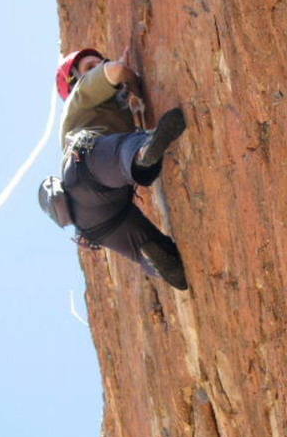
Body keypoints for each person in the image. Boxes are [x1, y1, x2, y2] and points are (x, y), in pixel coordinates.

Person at [41, 47, 189, 290]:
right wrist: (133, 83)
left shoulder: (100, 112)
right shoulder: (82, 91)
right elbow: (118, 71)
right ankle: (142, 150)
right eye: (90, 66)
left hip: (92, 219)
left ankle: (159, 262)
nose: (99, 65)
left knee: (145, 248)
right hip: (89, 163)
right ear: (75, 78)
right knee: (128, 153)